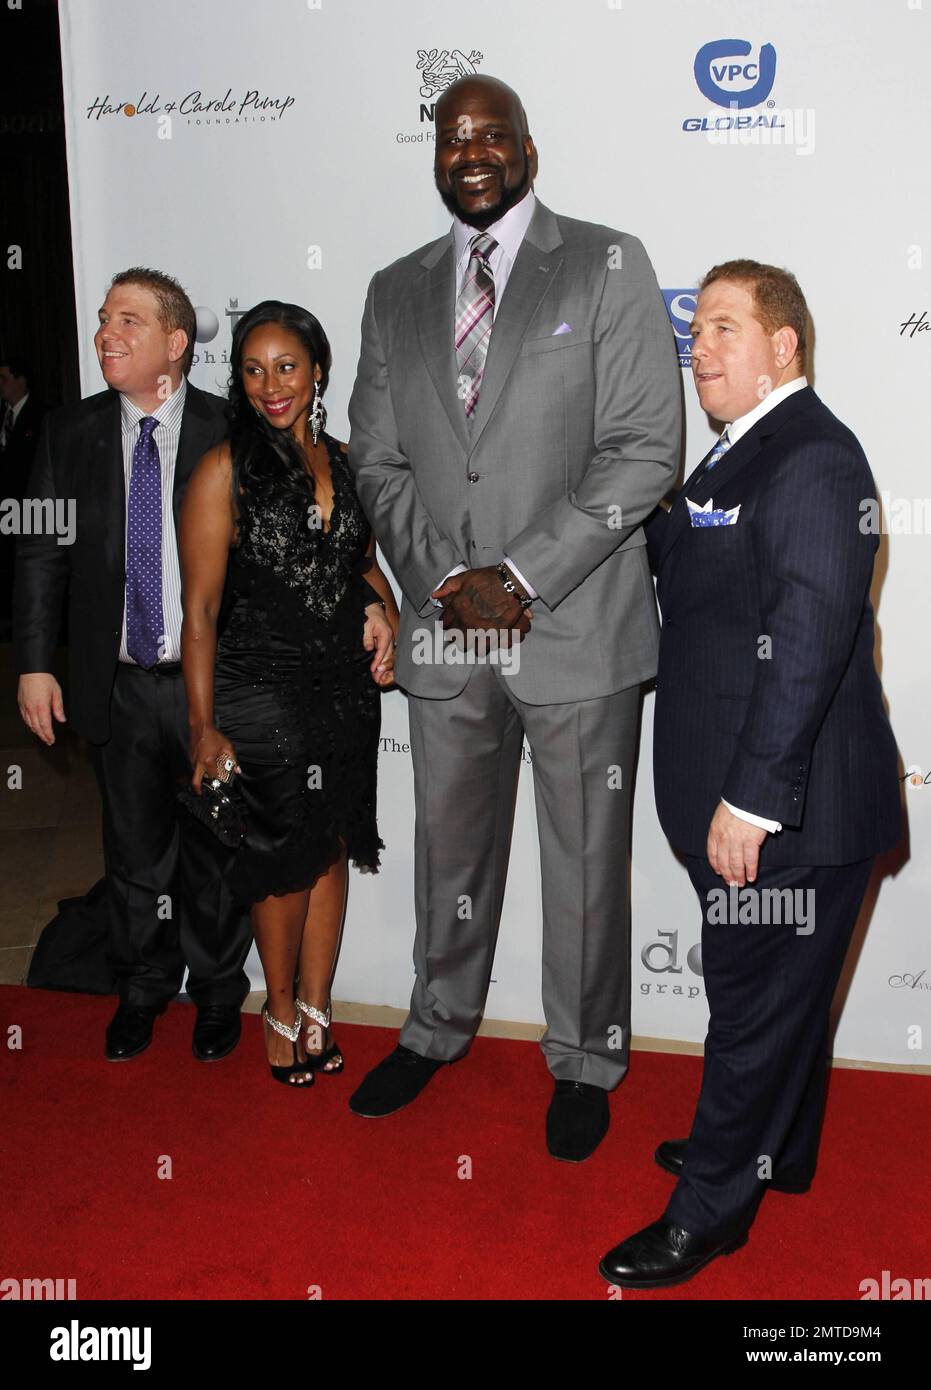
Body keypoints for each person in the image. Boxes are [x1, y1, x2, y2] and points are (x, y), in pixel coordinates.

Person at [347, 75, 681, 1158]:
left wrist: (520, 579)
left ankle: (585, 1055)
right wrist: (449, 581)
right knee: (450, 854)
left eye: (492, 135)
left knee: (585, 864)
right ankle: (437, 1027)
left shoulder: (608, 262)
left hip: (575, 627)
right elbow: (377, 458)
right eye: (453, 137)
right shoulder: (394, 288)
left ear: (528, 151)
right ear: (435, 157)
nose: (472, 152)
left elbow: (645, 451)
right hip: (450, 631)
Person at [600, 261, 902, 1288]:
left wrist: (751, 800)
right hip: (747, 801)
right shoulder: (732, 459)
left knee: (748, 1007)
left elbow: (811, 634)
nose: (700, 347)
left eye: (725, 328)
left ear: (785, 347)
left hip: (787, 813)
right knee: (781, 995)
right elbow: (692, 584)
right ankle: (783, 1151)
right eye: (698, 333)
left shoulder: (811, 458)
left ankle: (710, 1210)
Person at [15, 268, 253, 1062]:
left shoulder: (233, 428)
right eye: (102, 319)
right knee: (133, 855)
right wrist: (33, 664)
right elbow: (40, 552)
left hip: (208, 691)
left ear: (176, 345)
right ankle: (145, 986)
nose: (106, 334)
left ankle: (219, 992)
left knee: (215, 856)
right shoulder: (66, 431)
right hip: (114, 686)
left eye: (128, 320)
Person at [180, 301, 397, 1087]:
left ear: (316, 373)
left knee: (329, 843)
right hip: (259, 691)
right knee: (279, 857)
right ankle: (275, 1008)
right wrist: (203, 728)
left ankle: (317, 1008)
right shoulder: (221, 469)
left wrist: (390, 610)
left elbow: (359, 566)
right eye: (252, 368)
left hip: (340, 692)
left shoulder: (342, 460)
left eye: (287, 367)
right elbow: (199, 612)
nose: (271, 385)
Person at [1, 357, 46, 639]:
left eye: (4, 378)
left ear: (21, 381)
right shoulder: (3, 415)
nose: (1, 386)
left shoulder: (42, 417)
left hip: (30, 509)